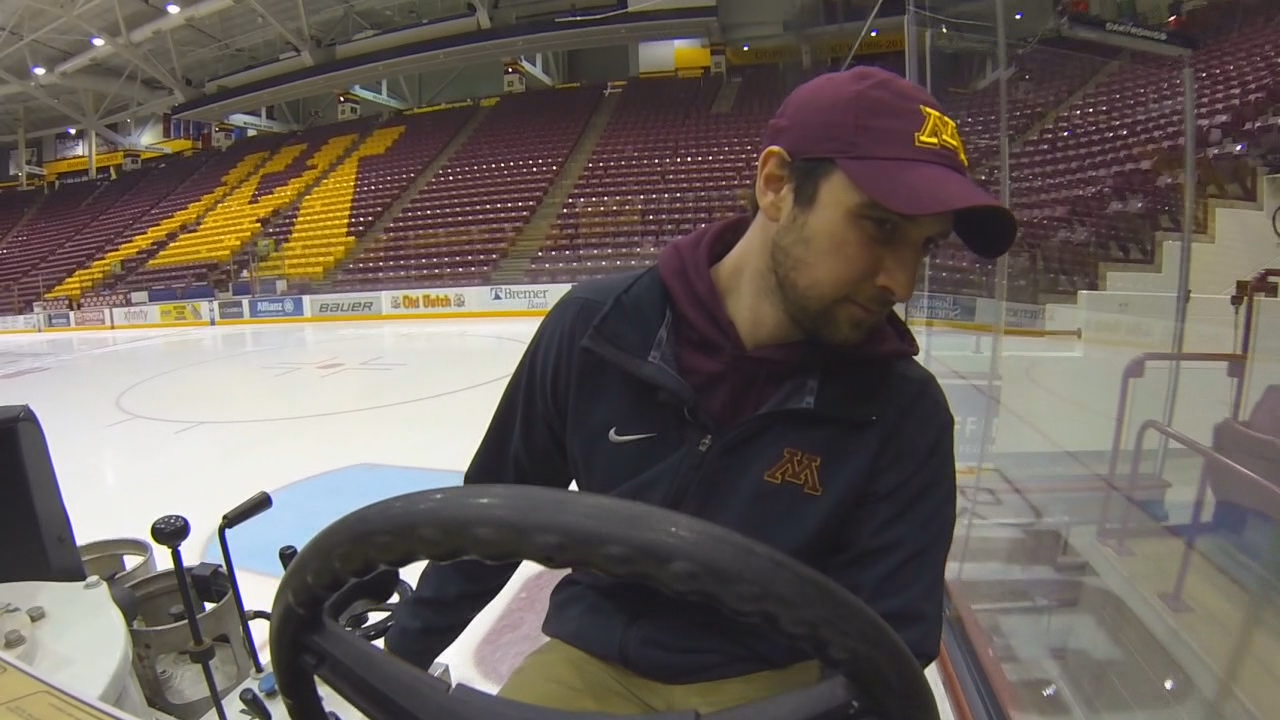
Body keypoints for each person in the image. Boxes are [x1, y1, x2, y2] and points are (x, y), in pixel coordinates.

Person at [384, 66, 1018, 714]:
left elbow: (890, 645)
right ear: (777, 185)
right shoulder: (597, 331)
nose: (902, 281)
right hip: (592, 662)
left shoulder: (903, 414)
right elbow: (482, 533)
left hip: (780, 686)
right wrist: (390, 674)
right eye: (880, 226)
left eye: (926, 247)